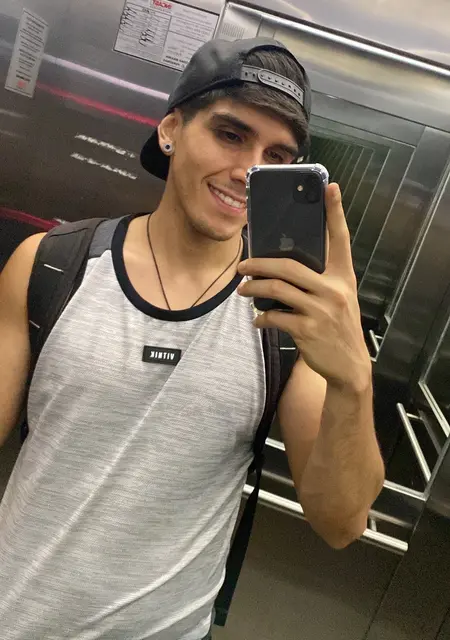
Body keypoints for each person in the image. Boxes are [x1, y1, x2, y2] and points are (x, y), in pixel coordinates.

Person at [0, 37, 384, 640]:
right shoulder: (50, 264)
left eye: (276, 156)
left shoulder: (288, 313)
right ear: (171, 128)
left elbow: (341, 522)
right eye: (231, 135)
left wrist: (353, 377)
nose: (249, 170)